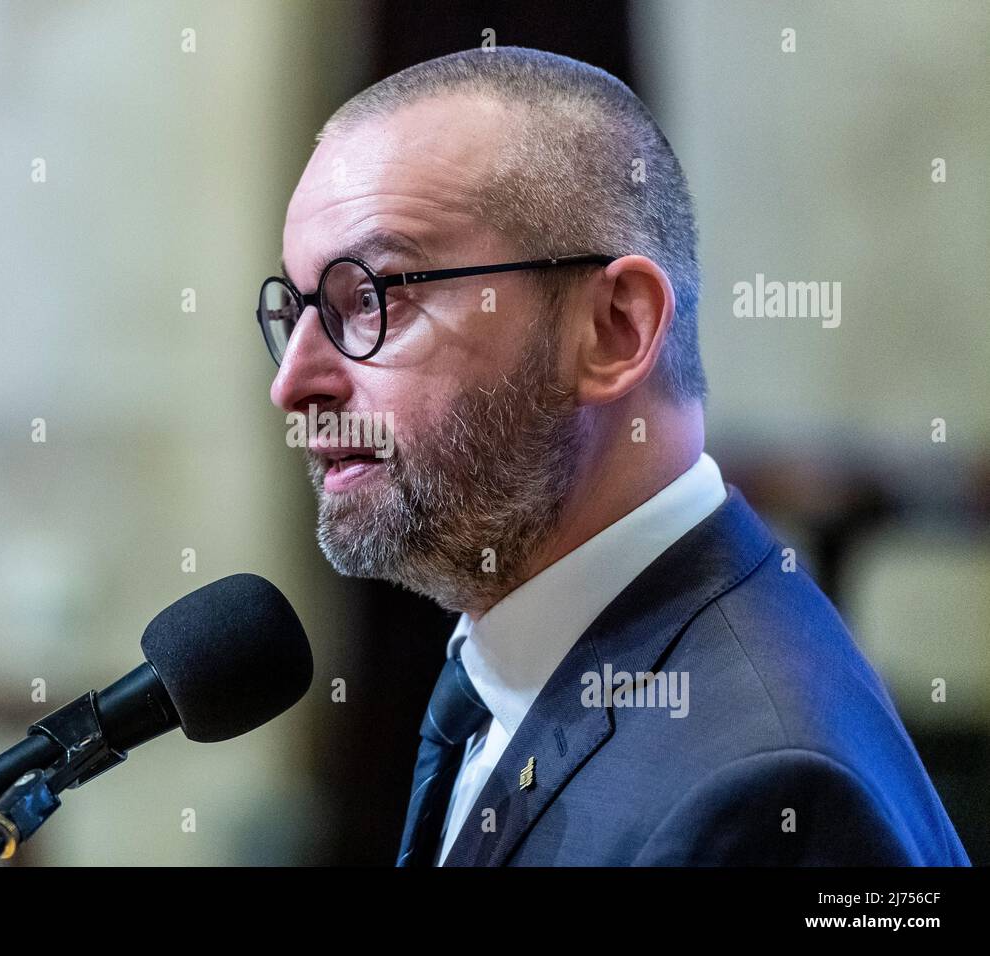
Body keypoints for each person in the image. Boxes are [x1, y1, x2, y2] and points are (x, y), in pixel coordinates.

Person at [256, 47, 969, 866]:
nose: (294, 381)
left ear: (614, 331)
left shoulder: (764, 791)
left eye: (374, 298)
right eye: (298, 309)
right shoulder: (525, 656)